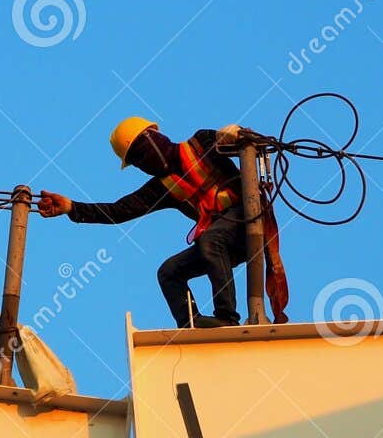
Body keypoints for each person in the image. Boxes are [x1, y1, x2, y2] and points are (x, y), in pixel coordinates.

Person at [38, 118, 249, 328]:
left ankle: (226, 317)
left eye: (141, 152)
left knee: (210, 239)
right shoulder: (161, 188)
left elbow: (236, 140)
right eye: (136, 161)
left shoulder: (201, 142)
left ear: (155, 138)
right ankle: (191, 324)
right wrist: (71, 207)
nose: (143, 162)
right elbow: (117, 211)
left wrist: (233, 135)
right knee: (169, 272)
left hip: (249, 221)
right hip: (223, 244)